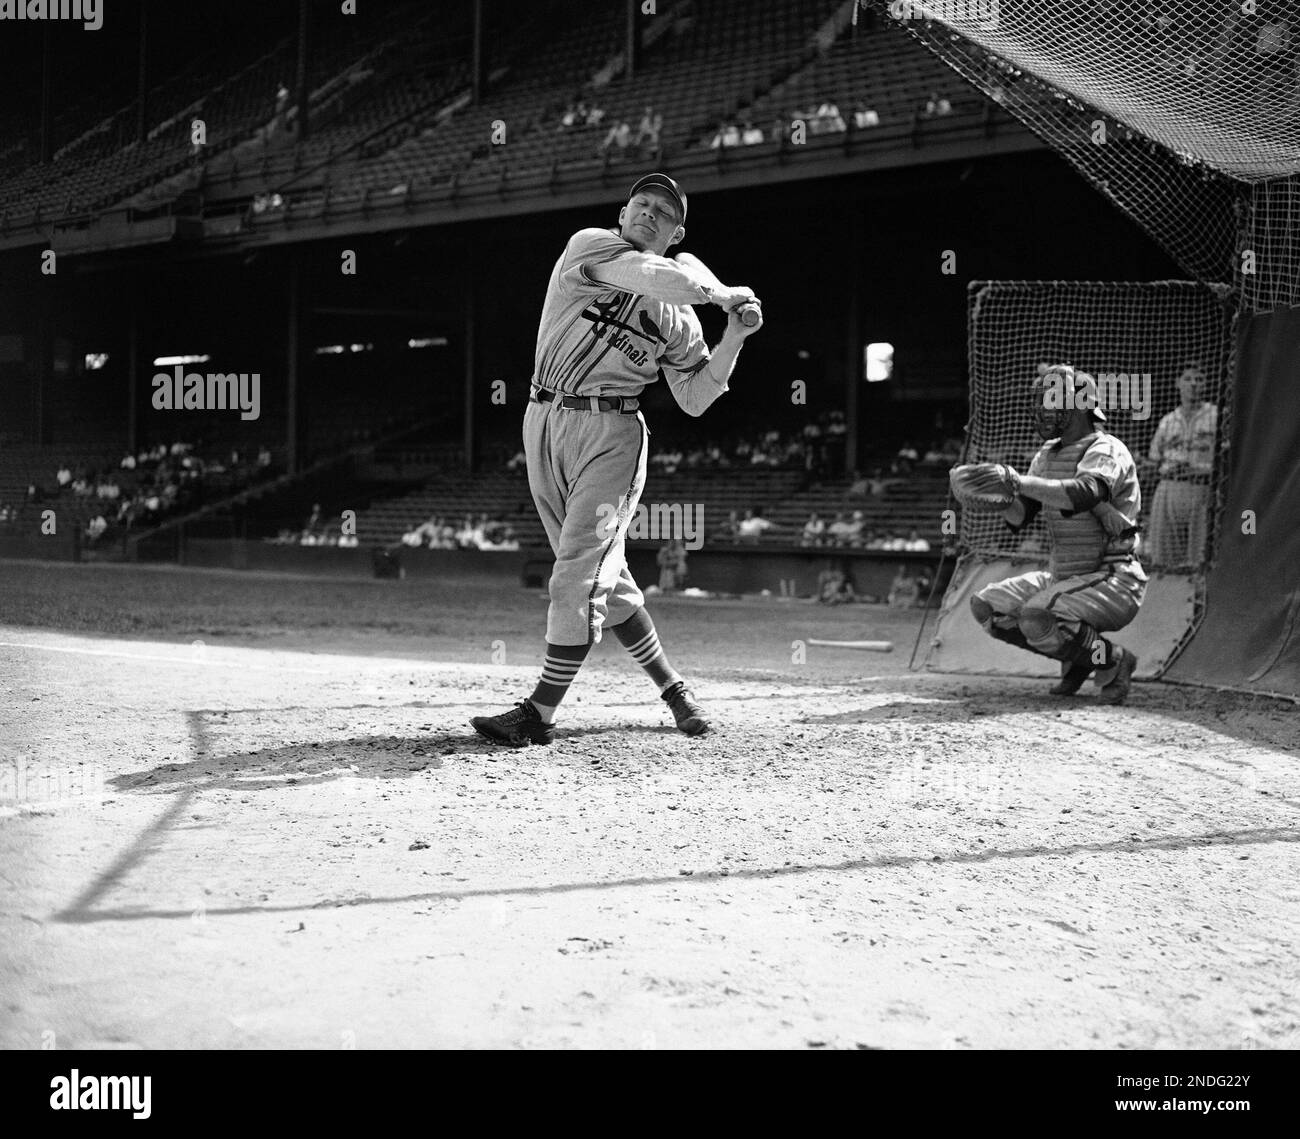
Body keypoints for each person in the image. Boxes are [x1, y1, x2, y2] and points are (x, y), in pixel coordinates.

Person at [471, 172, 763, 746]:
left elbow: (695, 398)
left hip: (612, 435)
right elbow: (648, 275)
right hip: (543, 419)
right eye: (641, 203)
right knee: (609, 576)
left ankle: (539, 713)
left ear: (676, 234)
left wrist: (733, 337)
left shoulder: (679, 315)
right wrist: (719, 293)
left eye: (664, 212)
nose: (649, 212)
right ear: (623, 213)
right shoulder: (591, 246)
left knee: (577, 572)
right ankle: (675, 690)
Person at [967, 366, 1146, 703]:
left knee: (1037, 614)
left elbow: (1084, 492)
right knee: (989, 608)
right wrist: (996, 497)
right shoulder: (1047, 454)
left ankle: (1113, 660)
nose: (1045, 408)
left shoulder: (1107, 448)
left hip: (1114, 576)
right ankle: (1082, 658)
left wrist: (1016, 480)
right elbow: (1021, 516)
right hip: (1064, 573)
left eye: (1053, 399)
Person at [1145, 364, 1217, 570]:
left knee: (1200, 558)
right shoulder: (1168, 421)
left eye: (1199, 379)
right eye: (1188, 379)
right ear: (1177, 383)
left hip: (1202, 488)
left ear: (1206, 384)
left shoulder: (1216, 416)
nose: (1193, 384)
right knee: (1165, 558)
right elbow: (1154, 459)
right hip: (1169, 488)